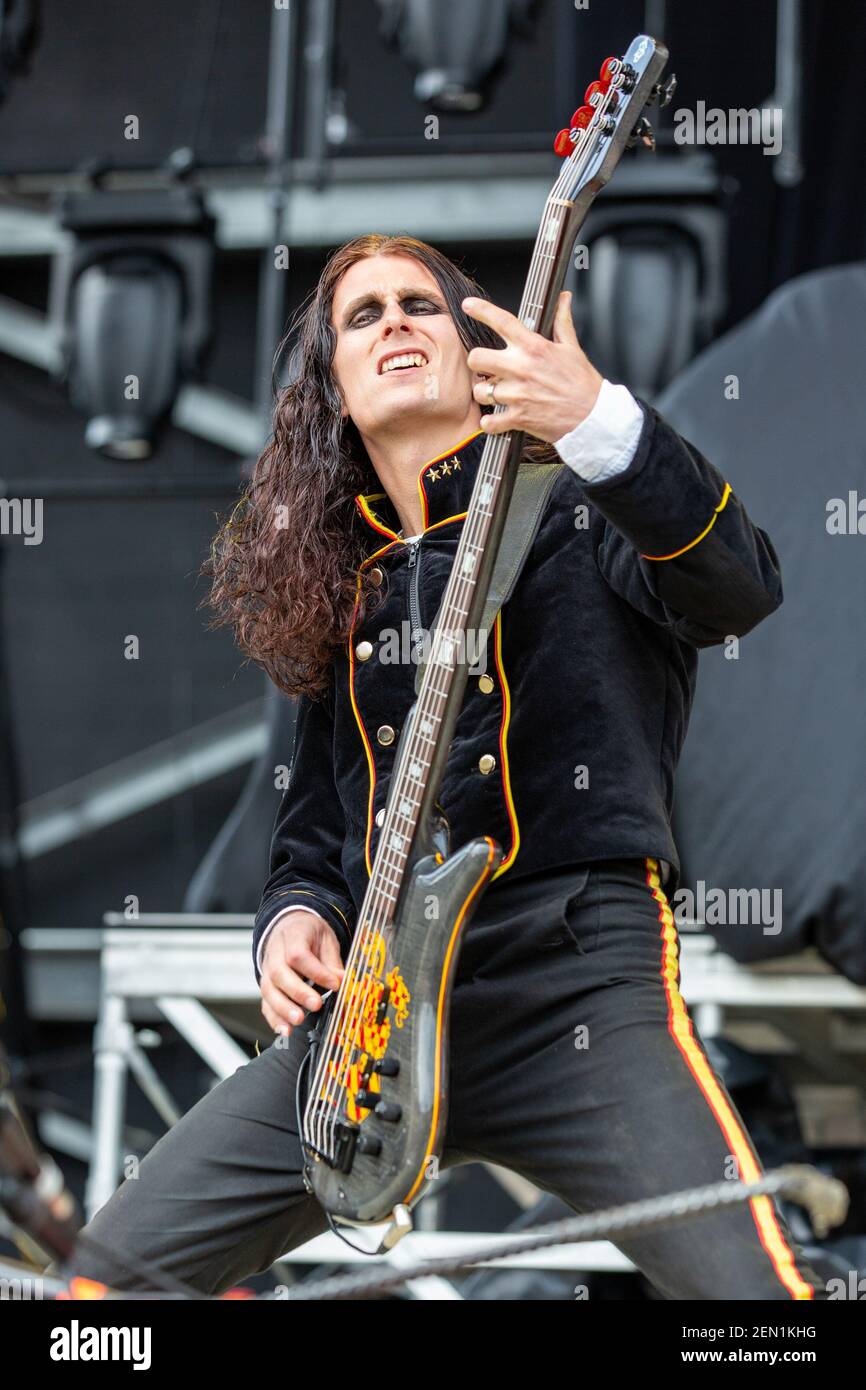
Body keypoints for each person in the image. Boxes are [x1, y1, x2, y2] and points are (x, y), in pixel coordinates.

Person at [69, 233, 827, 1299]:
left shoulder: (585, 501)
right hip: (370, 1022)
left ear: (477, 354)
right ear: (333, 390)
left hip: (572, 991)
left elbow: (735, 585)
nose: (394, 322)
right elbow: (311, 840)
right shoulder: (342, 585)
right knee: (102, 1291)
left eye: (419, 304)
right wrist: (292, 920)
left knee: (759, 1308)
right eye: (362, 314)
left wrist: (597, 419)